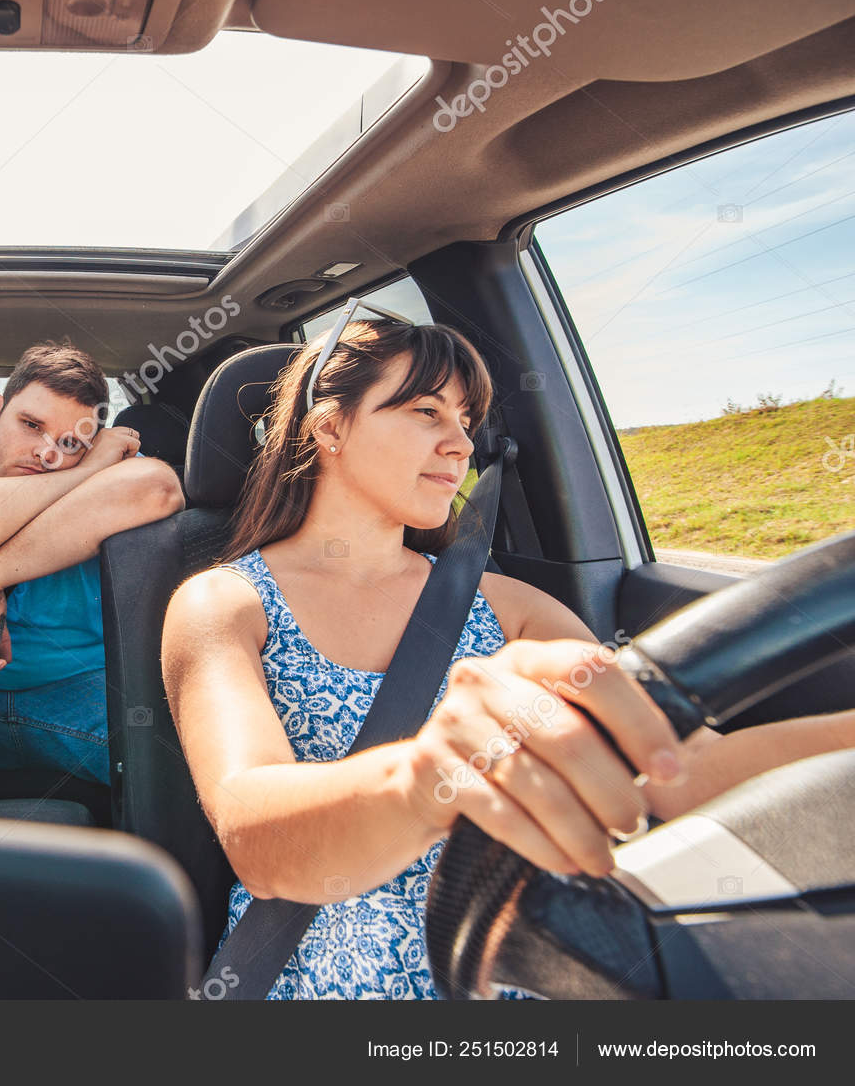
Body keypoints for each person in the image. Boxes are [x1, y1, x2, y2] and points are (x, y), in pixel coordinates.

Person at [162, 313, 855, 999]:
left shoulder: (509, 606)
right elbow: (256, 838)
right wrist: (422, 779)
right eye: (427, 411)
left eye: (466, 420)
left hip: (512, 962)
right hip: (323, 972)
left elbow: (678, 767)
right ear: (330, 426)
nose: (460, 442)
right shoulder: (223, 603)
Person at [0, 341, 183, 787]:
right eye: (30, 425)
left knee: (174, 774)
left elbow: (157, 488)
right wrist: (78, 473)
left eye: (69, 443)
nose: (47, 454)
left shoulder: (111, 472)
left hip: (90, 687)